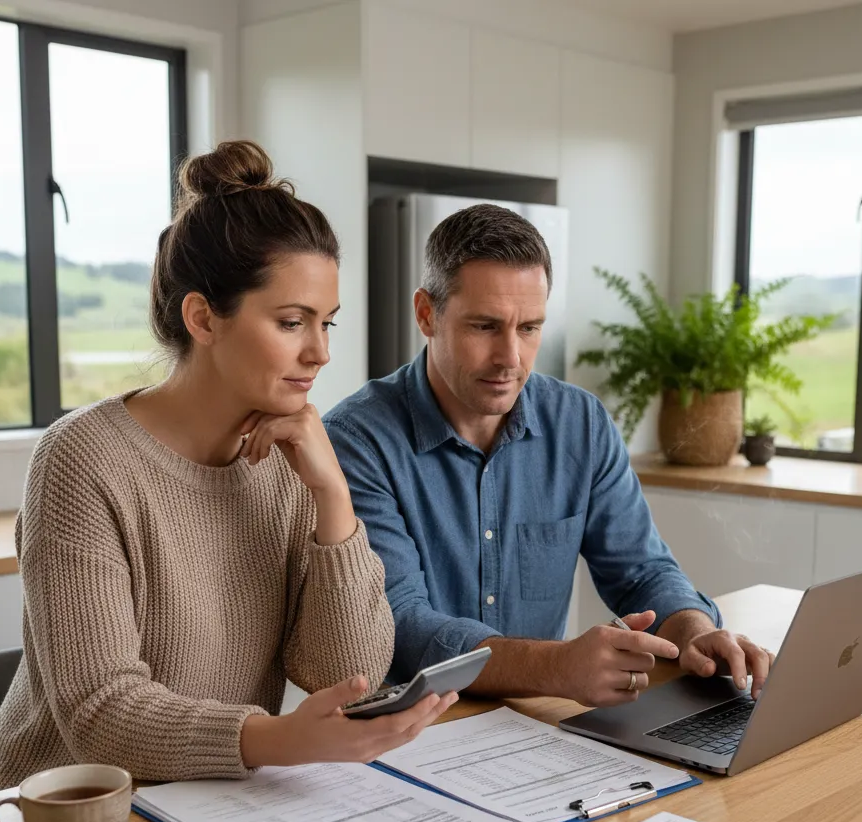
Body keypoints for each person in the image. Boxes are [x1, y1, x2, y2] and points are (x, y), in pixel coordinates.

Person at [0, 141, 455, 796]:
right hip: (60, 817)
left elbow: (347, 675)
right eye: (292, 322)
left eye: (327, 324)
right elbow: (99, 711)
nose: (319, 352)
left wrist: (333, 499)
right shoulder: (83, 461)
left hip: (207, 801)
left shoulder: (293, 461)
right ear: (203, 318)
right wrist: (278, 739)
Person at [324, 203, 773, 709]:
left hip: (534, 717)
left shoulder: (580, 424)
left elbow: (642, 571)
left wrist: (695, 632)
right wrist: (556, 667)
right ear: (427, 314)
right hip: (412, 728)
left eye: (529, 328)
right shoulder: (357, 441)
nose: (510, 358)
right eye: (485, 326)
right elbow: (400, 625)